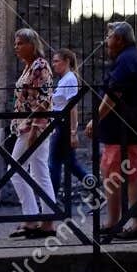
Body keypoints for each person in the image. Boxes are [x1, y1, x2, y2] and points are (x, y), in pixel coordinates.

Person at [86, 21, 137, 240]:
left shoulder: (127, 60)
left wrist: (96, 119)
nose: (106, 41)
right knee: (112, 173)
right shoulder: (127, 58)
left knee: (131, 174)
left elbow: (114, 95)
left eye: (109, 36)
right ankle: (114, 222)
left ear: (120, 39)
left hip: (128, 129)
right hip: (120, 130)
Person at [9, 27, 57, 239]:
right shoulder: (29, 67)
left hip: (34, 127)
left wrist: (36, 128)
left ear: (31, 44)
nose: (16, 47)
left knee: (25, 170)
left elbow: (43, 100)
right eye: (16, 43)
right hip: (25, 126)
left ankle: (41, 220)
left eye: (20, 43)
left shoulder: (39, 66)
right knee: (33, 171)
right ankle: (37, 219)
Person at [47, 47, 91, 216]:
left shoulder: (69, 79)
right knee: (71, 165)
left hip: (63, 126)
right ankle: (98, 194)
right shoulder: (65, 79)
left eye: (56, 61)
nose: (54, 64)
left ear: (66, 62)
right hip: (61, 125)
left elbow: (72, 107)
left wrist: (73, 131)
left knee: (54, 163)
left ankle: (51, 200)